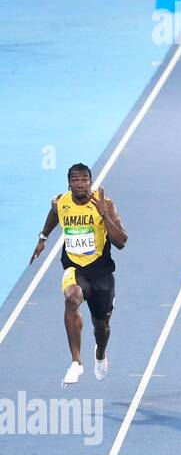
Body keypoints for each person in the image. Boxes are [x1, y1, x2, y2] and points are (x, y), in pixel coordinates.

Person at [30, 164, 128, 386]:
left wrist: (104, 214)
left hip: (101, 272)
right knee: (71, 298)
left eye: (84, 180)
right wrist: (43, 237)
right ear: (69, 183)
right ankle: (76, 362)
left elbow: (121, 241)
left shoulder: (106, 204)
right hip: (75, 268)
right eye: (75, 180)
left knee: (101, 327)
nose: (80, 184)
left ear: (90, 183)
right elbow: (54, 214)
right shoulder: (61, 202)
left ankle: (100, 354)